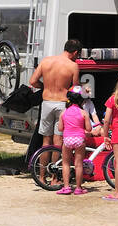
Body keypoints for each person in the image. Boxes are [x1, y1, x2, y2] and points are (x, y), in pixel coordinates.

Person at [28, 39, 82, 184]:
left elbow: (32, 81)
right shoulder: (73, 66)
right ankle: (54, 177)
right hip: (62, 104)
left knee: (46, 141)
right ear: (75, 52)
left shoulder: (46, 61)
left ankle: (41, 176)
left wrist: (44, 87)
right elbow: (75, 89)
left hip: (46, 102)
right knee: (58, 141)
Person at [57, 86, 90, 195]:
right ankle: (78, 188)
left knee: (65, 163)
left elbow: (60, 128)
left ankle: (66, 187)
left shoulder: (63, 112)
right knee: (78, 164)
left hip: (67, 139)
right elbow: (89, 128)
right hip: (80, 139)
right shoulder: (83, 112)